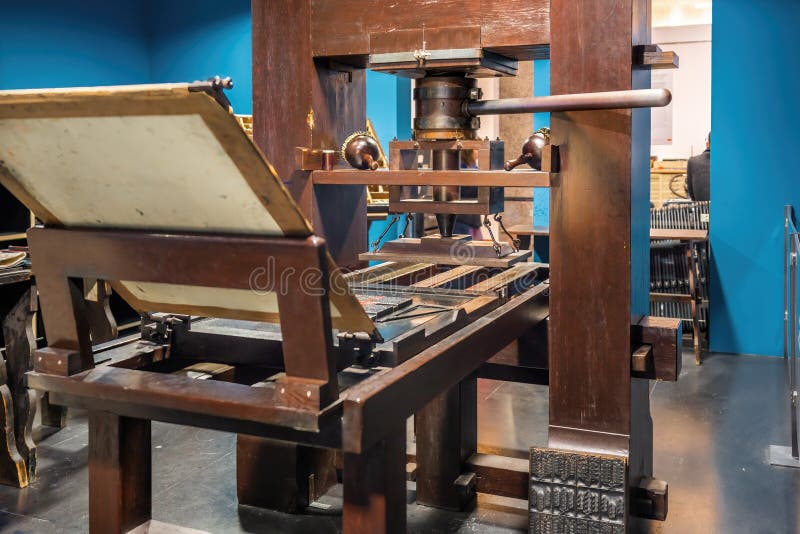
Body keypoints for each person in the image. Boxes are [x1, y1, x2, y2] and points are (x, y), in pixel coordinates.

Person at [686, 132, 710, 201]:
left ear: (707, 144)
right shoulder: (729, 162)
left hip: (701, 209)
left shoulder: (693, 161)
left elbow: (692, 194)